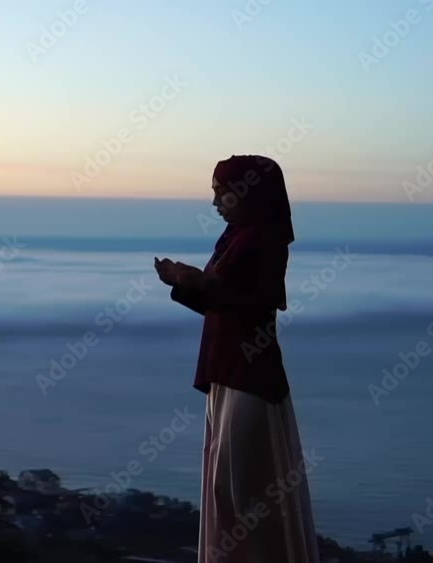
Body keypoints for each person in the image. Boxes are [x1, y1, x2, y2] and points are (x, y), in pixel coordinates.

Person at [154, 155, 319, 563]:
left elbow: (256, 306)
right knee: (227, 483)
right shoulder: (235, 237)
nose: (215, 203)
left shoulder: (263, 239)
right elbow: (222, 306)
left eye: (220, 192)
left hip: (249, 375)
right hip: (227, 372)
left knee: (242, 486)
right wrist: (186, 283)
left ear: (248, 191)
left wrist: (199, 280)